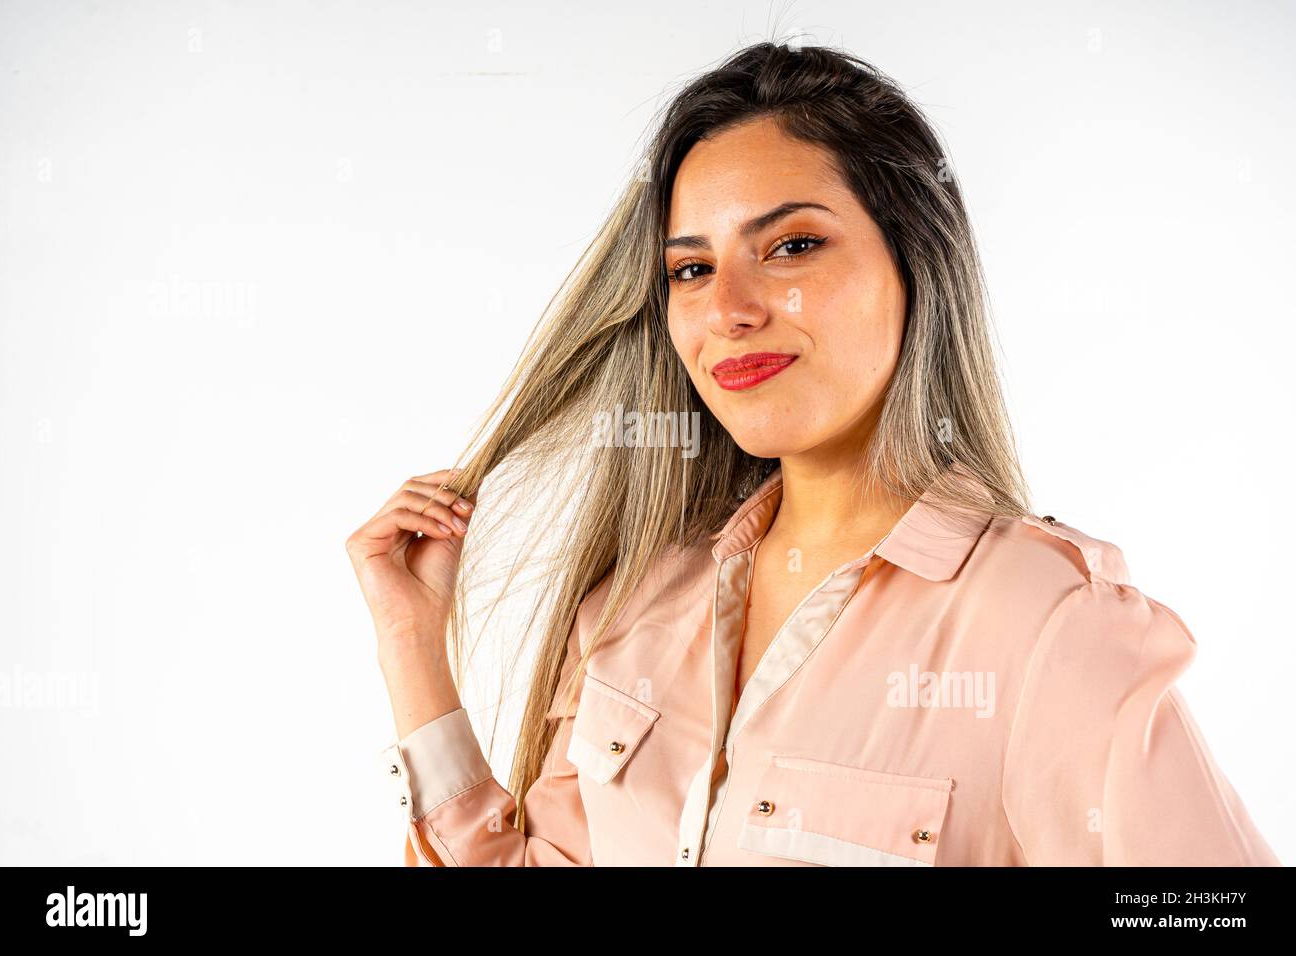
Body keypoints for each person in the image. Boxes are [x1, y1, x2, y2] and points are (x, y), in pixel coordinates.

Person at [346, 41, 1279, 866]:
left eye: (791, 245)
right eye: (691, 268)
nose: (728, 308)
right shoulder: (633, 610)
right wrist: (410, 643)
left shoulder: (1048, 629)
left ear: (914, 265)